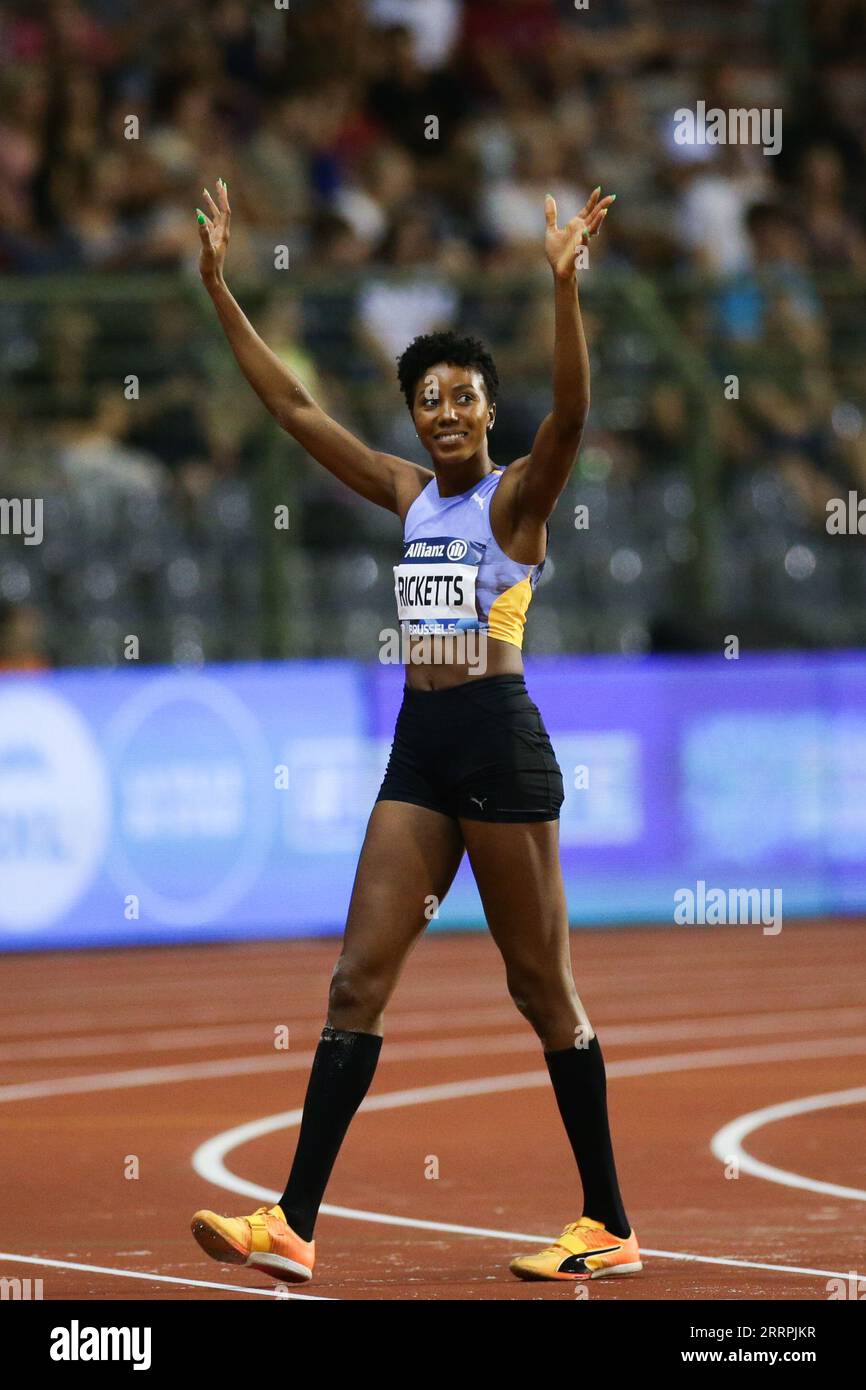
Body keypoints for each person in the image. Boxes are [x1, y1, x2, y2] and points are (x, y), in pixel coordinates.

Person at [189, 176, 641, 1284]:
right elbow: (294, 414)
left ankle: (608, 1221)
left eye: (459, 397)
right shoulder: (407, 497)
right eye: (424, 400)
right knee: (354, 983)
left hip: (498, 742)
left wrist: (563, 286)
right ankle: (293, 1220)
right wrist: (218, 291)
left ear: (489, 409)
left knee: (541, 991)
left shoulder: (513, 501)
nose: (439, 412)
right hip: (419, 750)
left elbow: (573, 417)